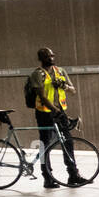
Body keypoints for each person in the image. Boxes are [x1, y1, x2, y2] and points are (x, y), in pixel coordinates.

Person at [29, 47, 84, 188]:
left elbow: (73, 90)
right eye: (48, 56)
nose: (51, 58)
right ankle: (47, 178)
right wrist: (55, 110)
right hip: (44, 113)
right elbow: (41, 96)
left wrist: (63, 85)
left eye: (52, 55)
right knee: (45, 145)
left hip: (60, 112)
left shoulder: (60, 71)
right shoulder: (37, 74)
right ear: (41, 58)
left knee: (68, 142)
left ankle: (73, 175)